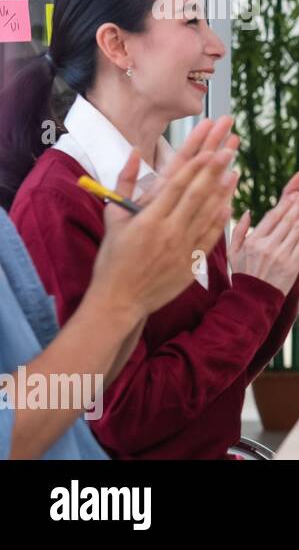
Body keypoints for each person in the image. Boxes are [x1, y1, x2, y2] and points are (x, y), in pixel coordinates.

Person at [0, 0, 299, 457]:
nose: (215, 45)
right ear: (118, 46)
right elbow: (121, 422)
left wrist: (282, 271)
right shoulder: (58, 202)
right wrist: (255, 292)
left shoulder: (175, 180)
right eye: (190, 21)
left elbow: (215, 385)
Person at [2, 120, 234, 459]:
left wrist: (274, 285)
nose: (217, 62)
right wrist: (122, 299)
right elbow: (120, 414)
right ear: (120, 61)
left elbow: (77, 392)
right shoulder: (53, 197)